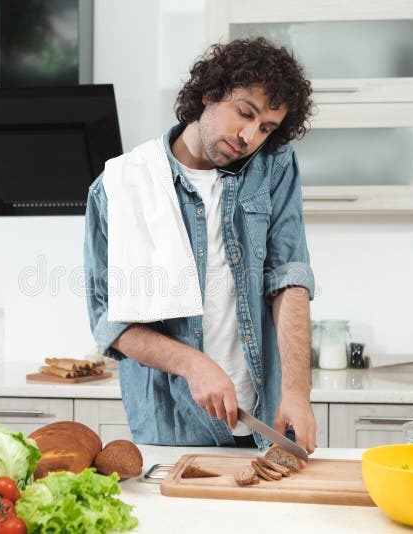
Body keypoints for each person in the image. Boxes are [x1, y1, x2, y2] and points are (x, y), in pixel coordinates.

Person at [84, 37, 316, 452]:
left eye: (267, 128)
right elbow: (110, 323)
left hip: (268, 422)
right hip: (172, 427)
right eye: (244, 112)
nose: (250, 136)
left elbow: (289, 279)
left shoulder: (274, 167)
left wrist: (297, 392)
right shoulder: (117, 188)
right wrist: (191, 364)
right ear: (209, 94)